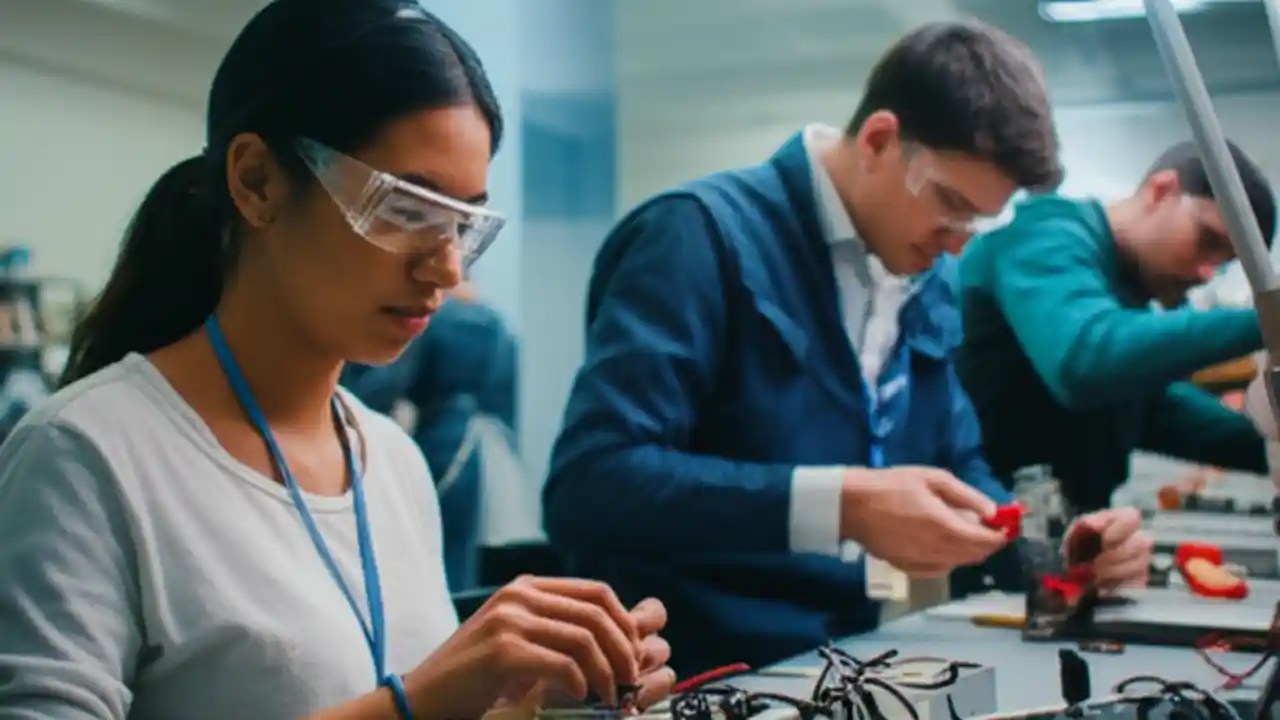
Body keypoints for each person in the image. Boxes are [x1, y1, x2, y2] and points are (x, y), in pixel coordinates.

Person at [0, 1, 673, 717]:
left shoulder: (390, 461)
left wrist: (520, 698)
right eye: (406, 209)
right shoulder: (85, 454)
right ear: (256, 180)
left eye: (463, 224)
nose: (445, 270)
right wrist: (419, 702)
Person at [542, 20, 1153, 677]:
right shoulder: (695, 238)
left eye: (978, 220)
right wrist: (844, 506)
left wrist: (1058, 553)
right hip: (691, 670)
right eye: (950, 205)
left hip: (844, 663)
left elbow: (962, 467)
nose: (958, 243)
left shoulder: (929, 275)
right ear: (880, 140)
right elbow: (590, 487)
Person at [956, 141, 1276, 514]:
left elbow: (1155, 411)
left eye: (1223, 264)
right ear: (1162, 190)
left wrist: (1269, 444)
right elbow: (1085, 360)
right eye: (1207, 240)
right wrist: (1268, 318)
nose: (1207, 273)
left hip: (1053, 533)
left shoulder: (1125, 288)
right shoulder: (1045, 237)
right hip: (969, 529)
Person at [343, 281, 518, 591]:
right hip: (471, 445)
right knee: (454, 566)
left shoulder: (439, 319)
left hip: (431, 439)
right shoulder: (487, 320)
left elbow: (384, 386)